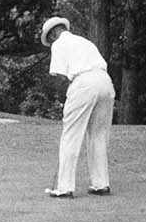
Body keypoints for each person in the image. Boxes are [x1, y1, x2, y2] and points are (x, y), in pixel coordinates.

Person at [40, 15, 113, 198]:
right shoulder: (84, 41)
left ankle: (64, 187)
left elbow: (60, 75)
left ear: (55, 32)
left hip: (83, 83)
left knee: (71, 135)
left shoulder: (59, 44)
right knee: (98, 135)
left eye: (50, 37)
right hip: (105, 82)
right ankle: (101, 184)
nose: (50, 42)